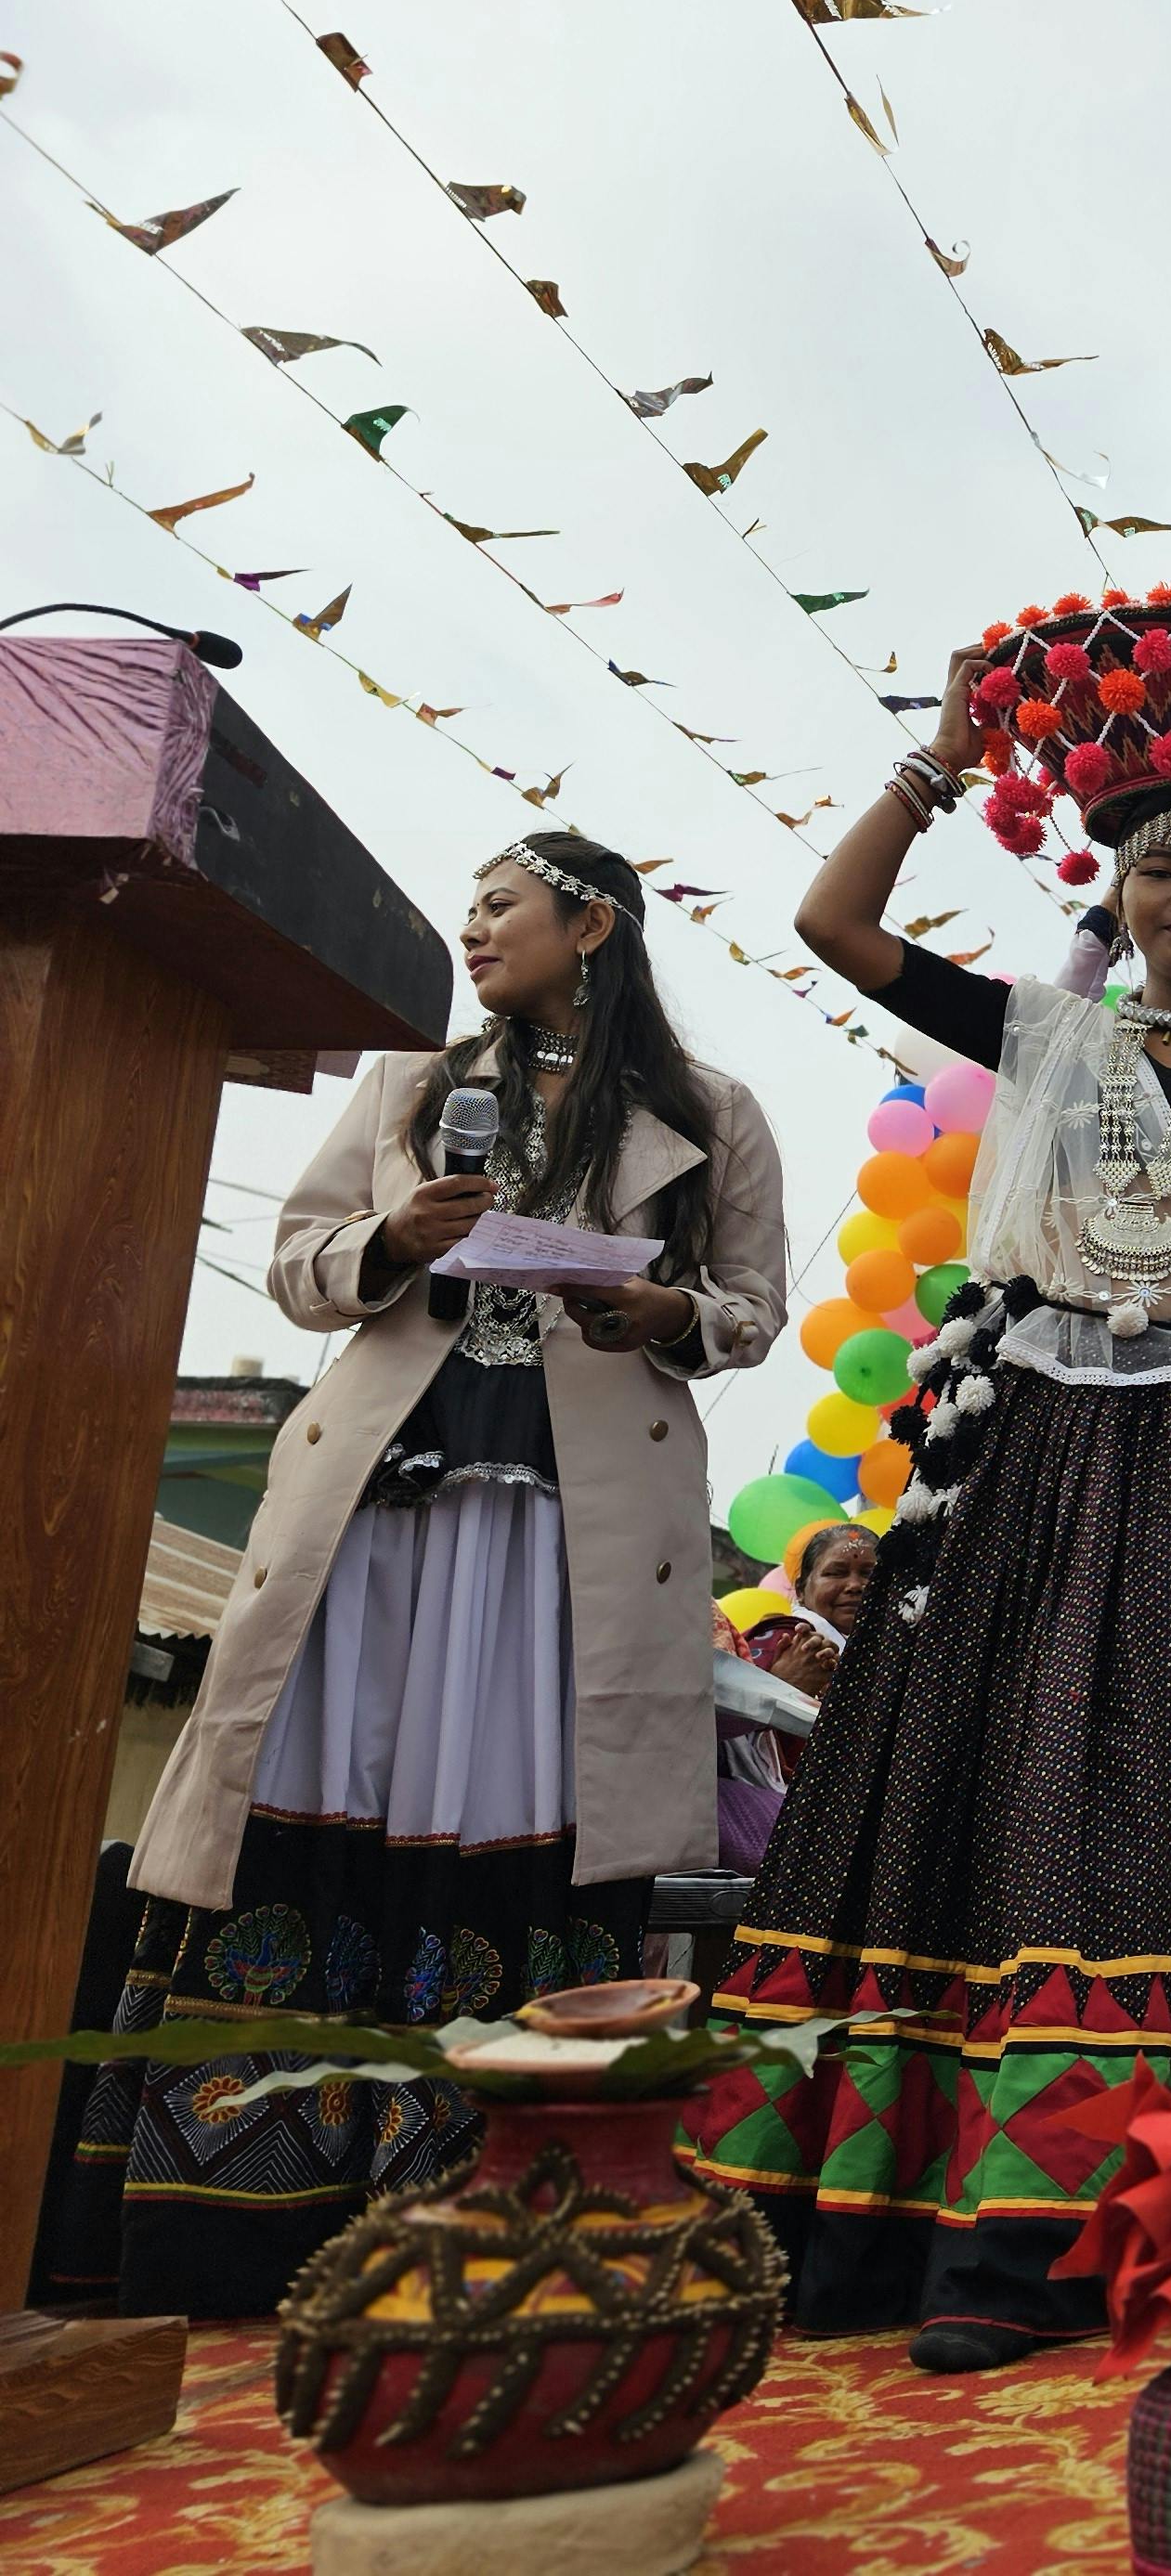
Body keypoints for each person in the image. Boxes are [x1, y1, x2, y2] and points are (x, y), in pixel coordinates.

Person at [683, 590, 1171, 2374]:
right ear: (1121, 899)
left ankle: (1145, 2227)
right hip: (1024, 1459)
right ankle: (931, 2235)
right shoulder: (1041, 1035)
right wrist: (940, 759)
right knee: (989, 1782)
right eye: (1161, 874)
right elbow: (833, 927)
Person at [57, 833, 785, 2319]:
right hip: (374, 1509)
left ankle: (492, 2207)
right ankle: (239, 2224)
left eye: (501, 906)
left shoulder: (709, 1112)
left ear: (593, 926)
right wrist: (389, 1237)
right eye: (470, 908)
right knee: (323, 1784)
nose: (474, 930)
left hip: (569, 1531)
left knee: (519, 1805)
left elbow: (754, 1307)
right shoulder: (409, 1083)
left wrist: (666, 1312)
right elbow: (297, 1259)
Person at [715, 1521, 878, 1873]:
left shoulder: (898, 1659)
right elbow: (719, 1735)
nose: (855, 1585)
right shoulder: (785, 1640)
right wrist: (780, 1687)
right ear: (802, 1589)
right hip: (787, 1822)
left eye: (869, 1573)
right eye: (836, 1573)